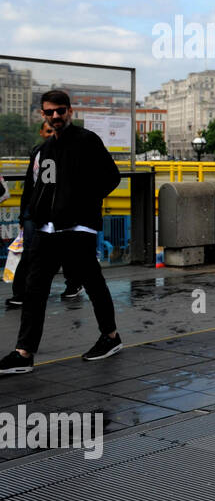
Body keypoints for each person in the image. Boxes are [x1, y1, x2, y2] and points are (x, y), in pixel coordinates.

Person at [0, 90, 123, 374]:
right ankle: (24, 353)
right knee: (34, 290)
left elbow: (111, 177)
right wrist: (31, 215)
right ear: (42, 114)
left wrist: (82, 203)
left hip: (77, 228)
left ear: (70, 111)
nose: (55, 116)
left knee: (92, 282)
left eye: (60, 110)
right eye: (49, 112)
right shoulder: (43, 149)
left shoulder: (87, 141)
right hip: (46, 230)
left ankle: (111, 336)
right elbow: (38, 188)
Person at [6, 120, 82, 308]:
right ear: (41, 132)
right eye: (47, 131)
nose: (50, 134)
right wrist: (24, 215)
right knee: (31, 250)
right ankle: (21, 293)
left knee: (64, 249)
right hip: (35, 211)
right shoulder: (37, 152)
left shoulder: (69, 153)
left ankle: (73, 284)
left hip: (61, 211)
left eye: (53, 130)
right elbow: (29, 186)